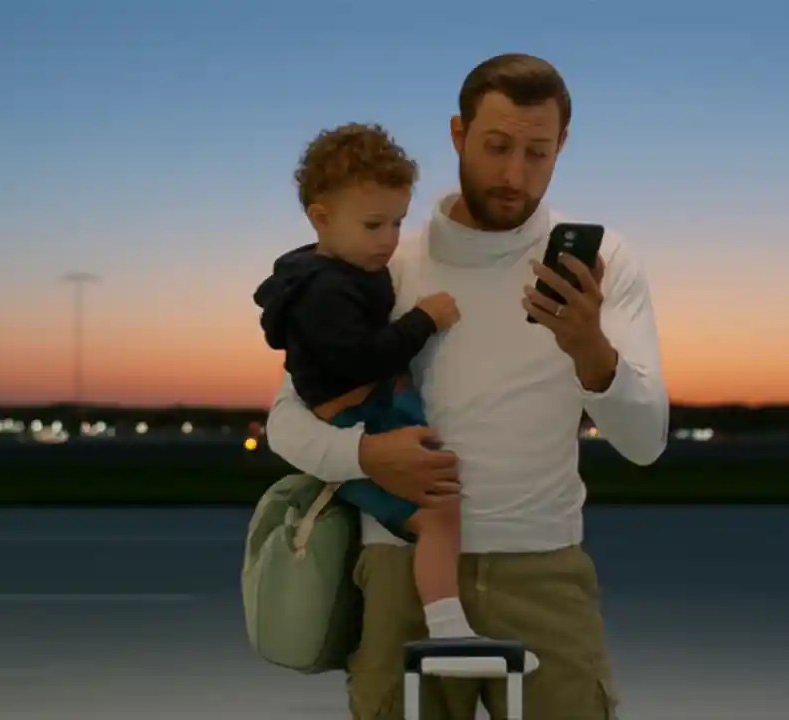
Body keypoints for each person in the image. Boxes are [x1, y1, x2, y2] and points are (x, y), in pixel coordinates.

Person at [264, 52, 669, 719]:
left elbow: (646, 442)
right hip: (401, 570)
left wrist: (589, 348)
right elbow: (286, 420)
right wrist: (365, 456)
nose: (514, 175)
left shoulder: (605, 263)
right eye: (497, 147)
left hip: (543, 572)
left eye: (538, 153)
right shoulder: (385, 258)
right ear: (458, 134)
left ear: (563, 145)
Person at [251, 122, 534, 667]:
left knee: (439, 509)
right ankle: (447, 629)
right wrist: (423, 320)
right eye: (374, 224)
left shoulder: (342, 271)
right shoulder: (324, 290)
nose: (388, 239)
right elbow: (363, 358)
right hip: (361, 414)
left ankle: (449, 629)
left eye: (398, 222)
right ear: (321, 218)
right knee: (438, 513)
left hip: (368, 407)